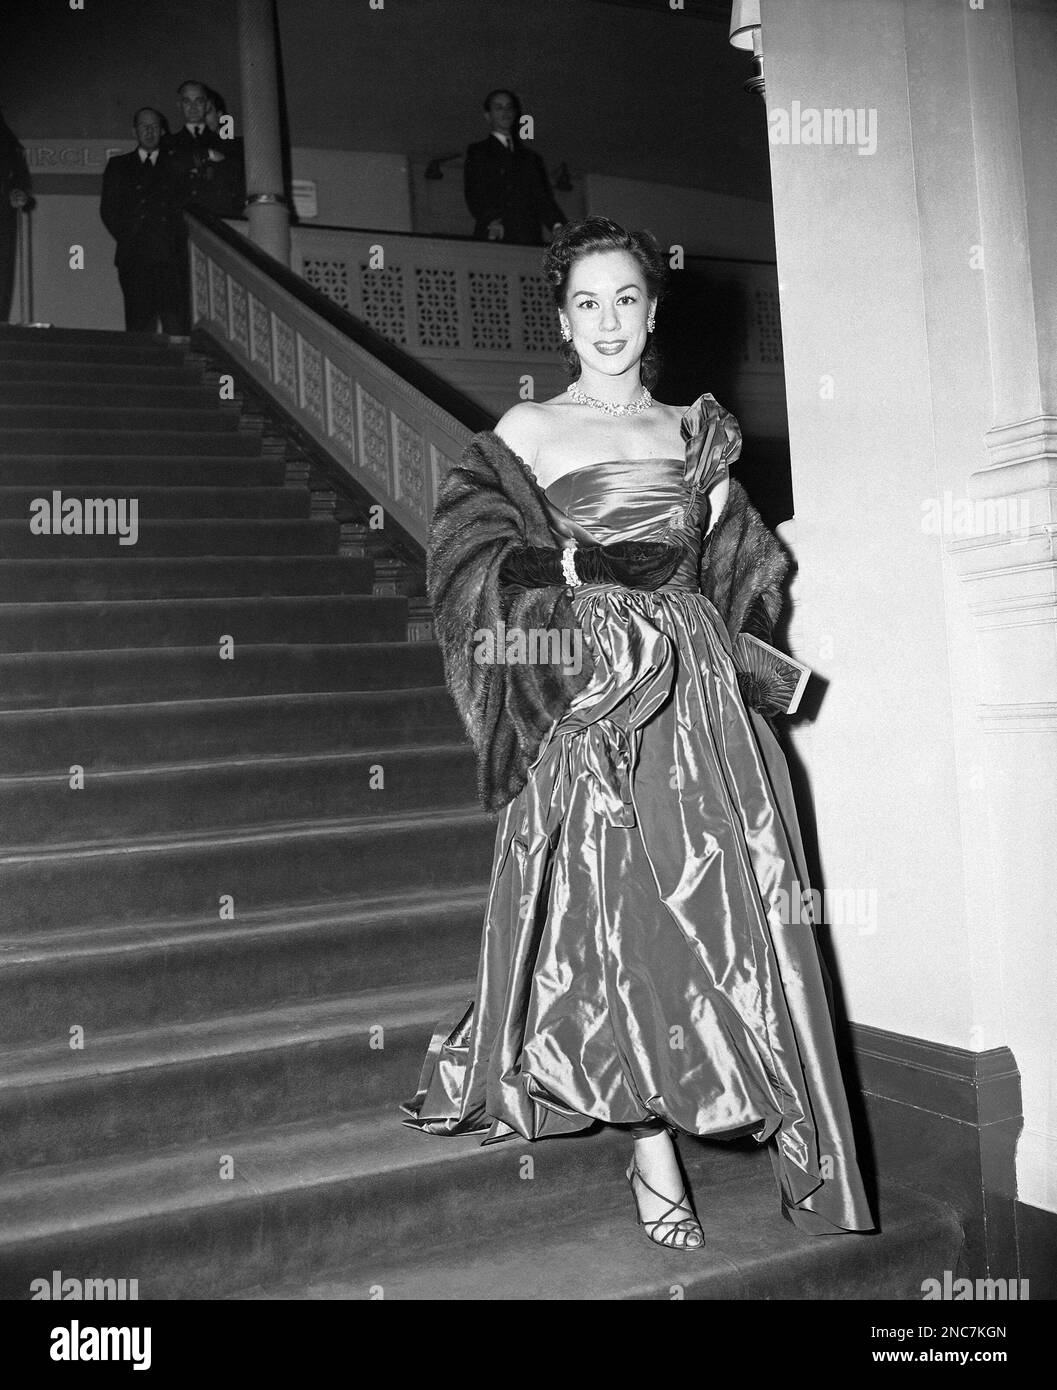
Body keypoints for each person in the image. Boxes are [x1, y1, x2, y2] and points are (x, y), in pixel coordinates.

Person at [403, 216, 875, 1249]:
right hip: (590, 687)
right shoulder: (524, 433)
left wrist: (747, 646)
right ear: (561, 318)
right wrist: (574, 581)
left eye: (625, 299)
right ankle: (648, 1137)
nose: (607, 320)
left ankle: (751, 1090)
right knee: (608, 913)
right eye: (586, 301)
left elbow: (741, 565)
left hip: (696, 694)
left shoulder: (692, 431)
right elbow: (467, 569)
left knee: (721, 911)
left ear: (652, 311)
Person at [100, 108, 185, 333]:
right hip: (133, 256)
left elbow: (183, 210)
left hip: (169, 257)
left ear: (162, 131)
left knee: (174, 325)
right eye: (144, 126)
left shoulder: (175, 165)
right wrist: (130, 235)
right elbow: (108, 210)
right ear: (134, 131)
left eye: (155, 126)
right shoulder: (118, 166)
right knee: (138, 326)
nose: (149, 131)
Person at [464, 89, 565, 246]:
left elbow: (542, 197)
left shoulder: (530, 158)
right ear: (488, 116)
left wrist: (557, 225)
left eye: (509, 107)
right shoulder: (479, 152)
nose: (505, 112)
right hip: (496, 233)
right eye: (499, 107)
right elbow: (474, 192)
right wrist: (491, 220)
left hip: (528, 235)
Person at [0, 110, 31, 322]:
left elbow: (22, 183)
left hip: (2, 221)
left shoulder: (10, 147)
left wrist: (20, 193)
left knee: (2, 278)